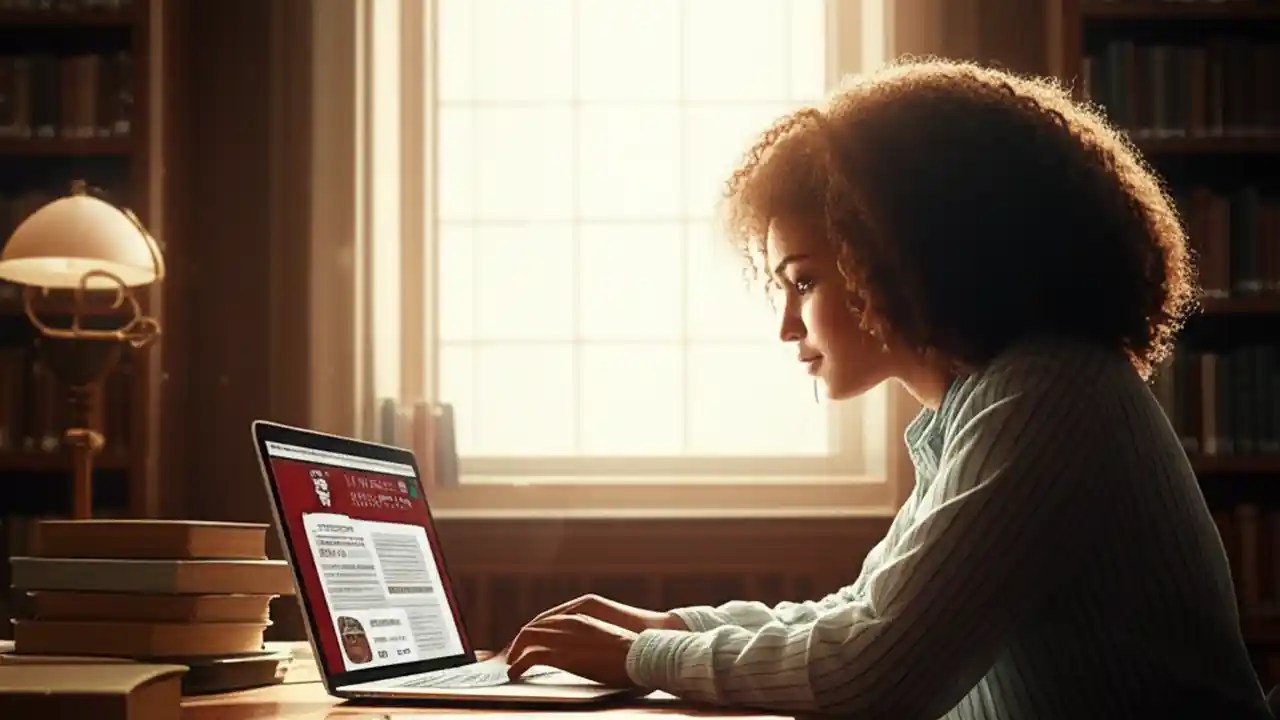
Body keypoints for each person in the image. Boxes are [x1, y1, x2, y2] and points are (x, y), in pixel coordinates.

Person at [501, 57, 1274, 718]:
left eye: (801, 282)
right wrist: (670, 623)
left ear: (901, 256)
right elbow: (863, 614)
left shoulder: (1046, 398)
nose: (786, 325)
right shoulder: (993, 399)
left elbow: (872, 669)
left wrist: (647, 656)